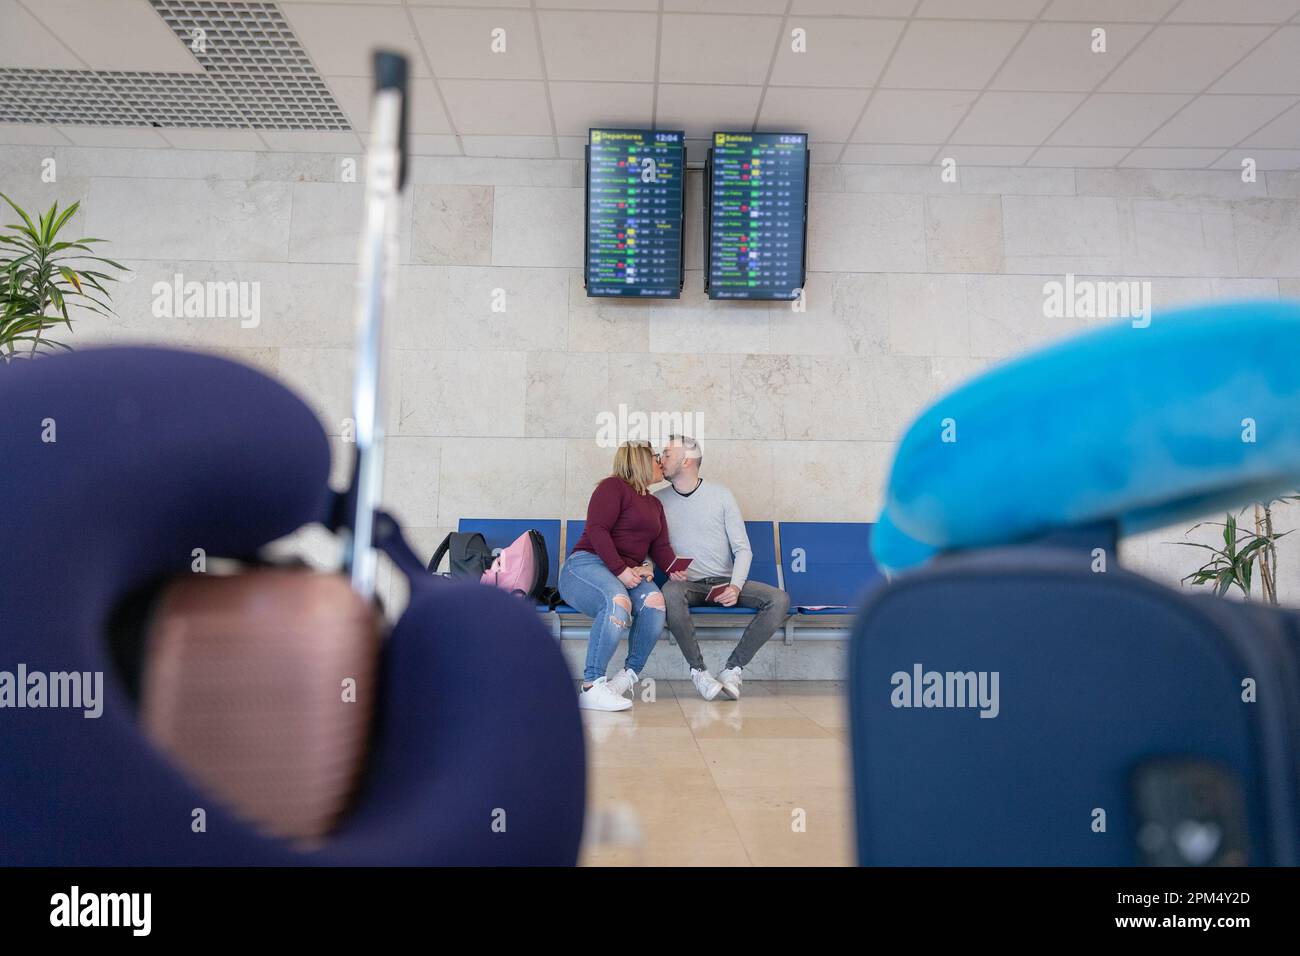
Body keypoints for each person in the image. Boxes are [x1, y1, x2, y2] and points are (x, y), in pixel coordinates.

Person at [655, 435, 790, 700]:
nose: (661, 459)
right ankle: (699, 673)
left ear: (687, 460)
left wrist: (735, 585)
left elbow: (743, 549)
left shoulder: (721, 495)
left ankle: (732, 669)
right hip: (686, 585)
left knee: (779, 599)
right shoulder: (656, 500)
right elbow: (648, 548)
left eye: (667, 454)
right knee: (670, 592)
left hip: (724, 582)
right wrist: (661, 567)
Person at [559, 441, 686, 712]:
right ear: (639, 462)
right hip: (585, 567)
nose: (660, 463)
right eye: (655, 458)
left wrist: (673, 567)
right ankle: (591, 686)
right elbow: (597, 530)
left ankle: (625, 678)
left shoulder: (654, 504)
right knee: (617, 600)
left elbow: (660, 547)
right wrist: (620, 570)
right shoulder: (611, 487)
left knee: (654, 603)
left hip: (625, 571)